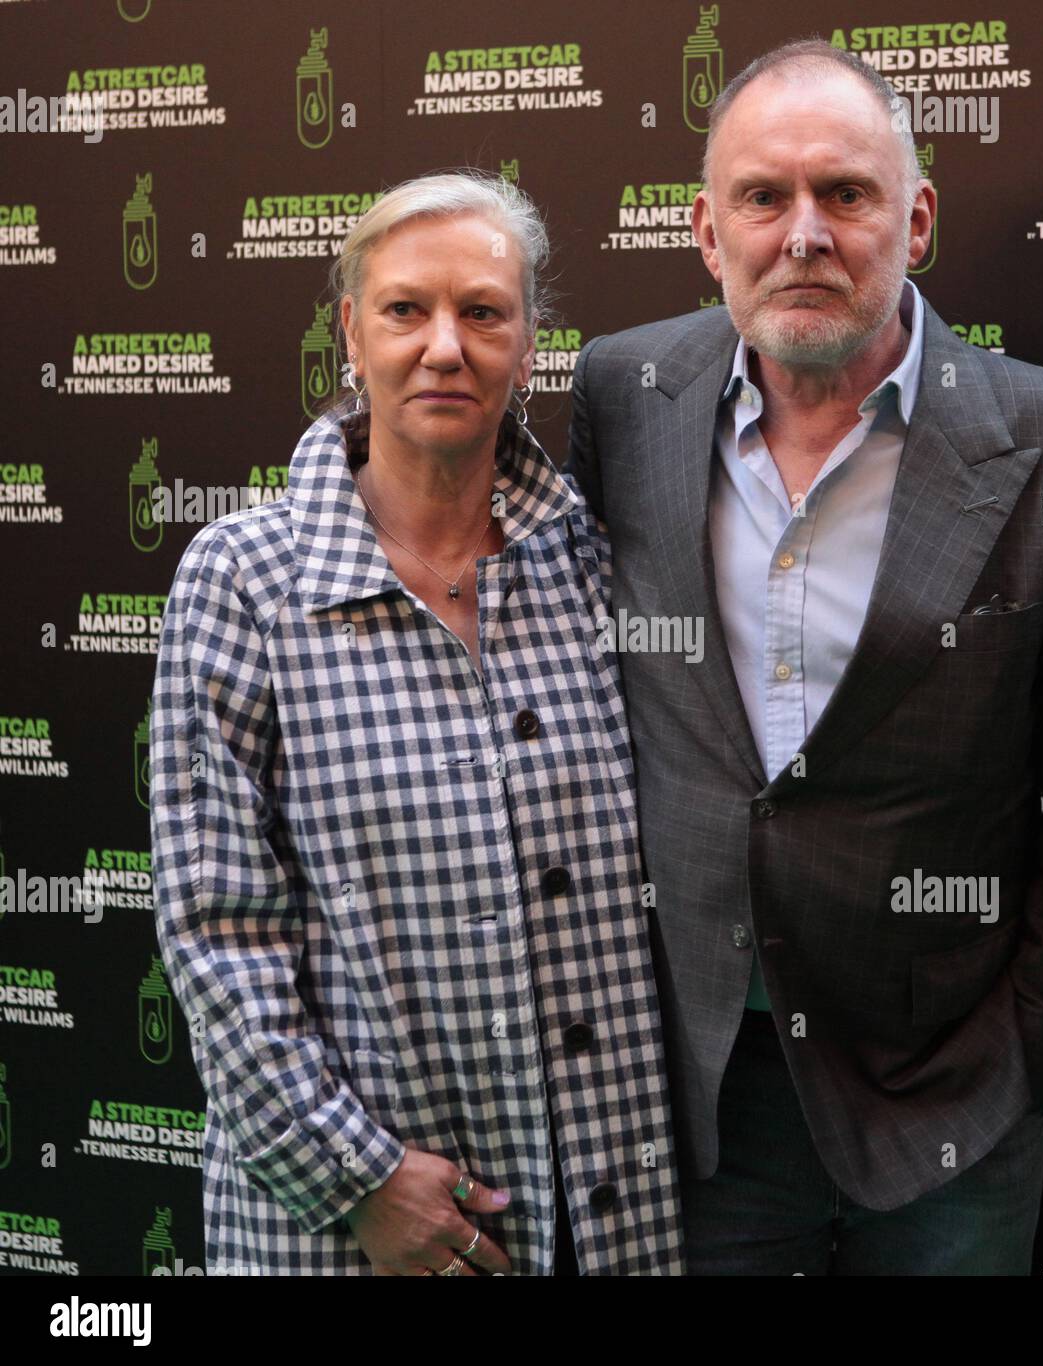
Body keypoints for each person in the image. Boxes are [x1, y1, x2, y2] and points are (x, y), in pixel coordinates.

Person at [566, 40, 1043, 1274]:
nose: (803, 233)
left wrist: (1025, 1051)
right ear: (704, 229)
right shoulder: (622, 393)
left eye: (844, 193)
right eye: (762, 196)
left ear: (917, 216)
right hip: (691, 1095)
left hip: (949, 1104)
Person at [149, 170, 683, 1276]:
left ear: (530, 340)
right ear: (351, 328)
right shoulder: (246, 578)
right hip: (355, 1233)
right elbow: (217, 937)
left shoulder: (594, 561)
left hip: (603, 1211)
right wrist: (356, 1178)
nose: (445, 345)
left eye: (483, 311)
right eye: (405, 309)